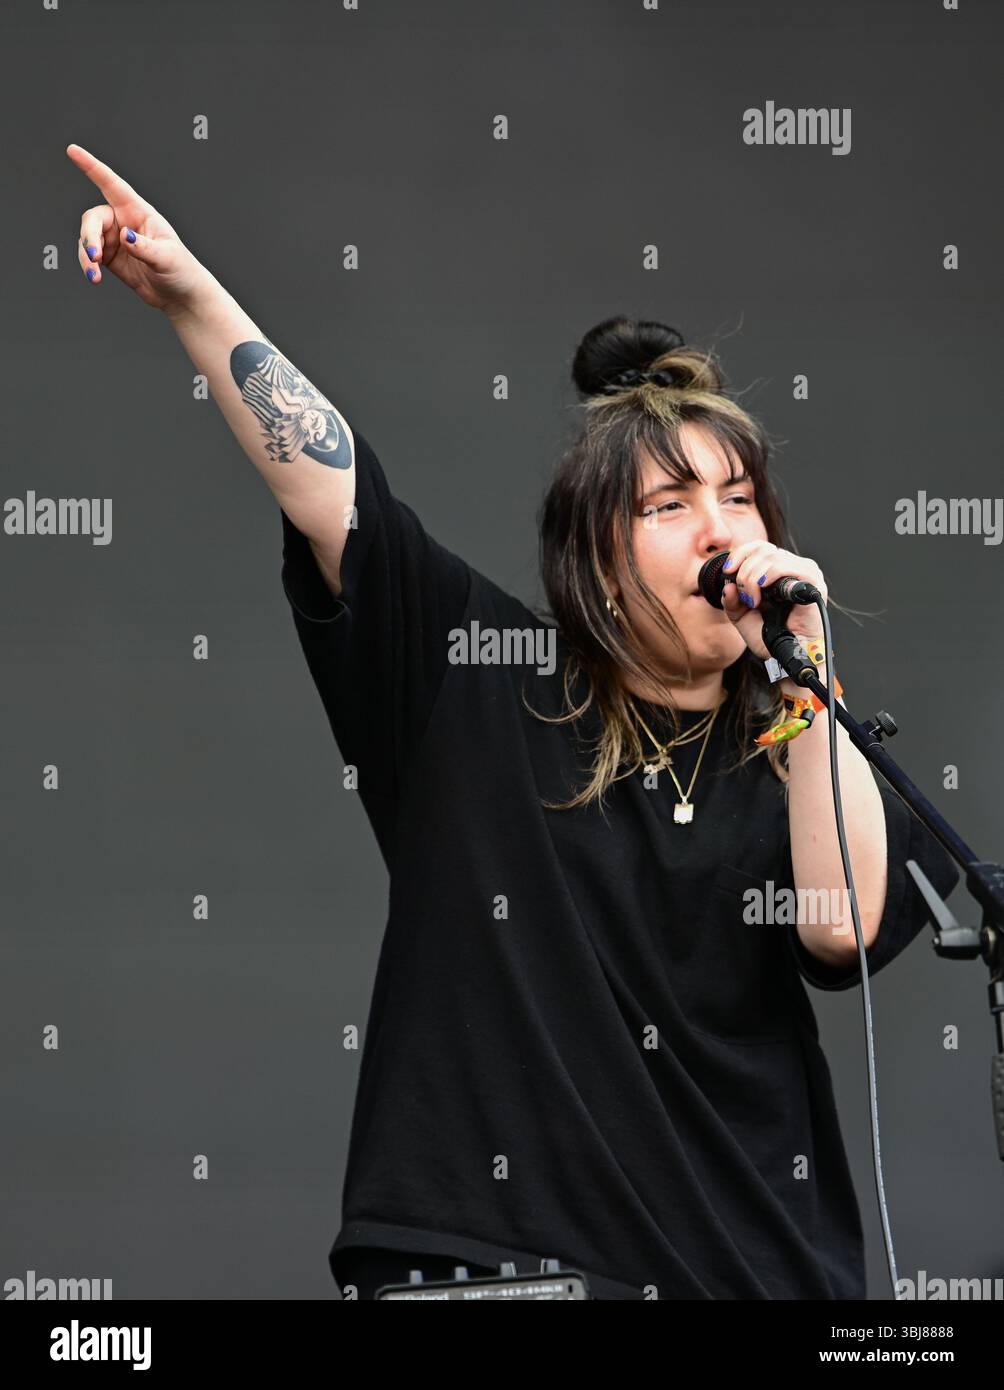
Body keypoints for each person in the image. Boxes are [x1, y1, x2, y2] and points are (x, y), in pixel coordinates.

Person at [68, 144, 960, 1302]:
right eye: (669, 502)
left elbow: (837, 932)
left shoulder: (803, 743)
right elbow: (334, 486)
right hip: (496, 1263)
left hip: (758, 1275)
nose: (718, 528)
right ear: (594, 550)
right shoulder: (483, 679)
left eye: (738, 498)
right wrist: (191, 292)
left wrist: (806, 671)